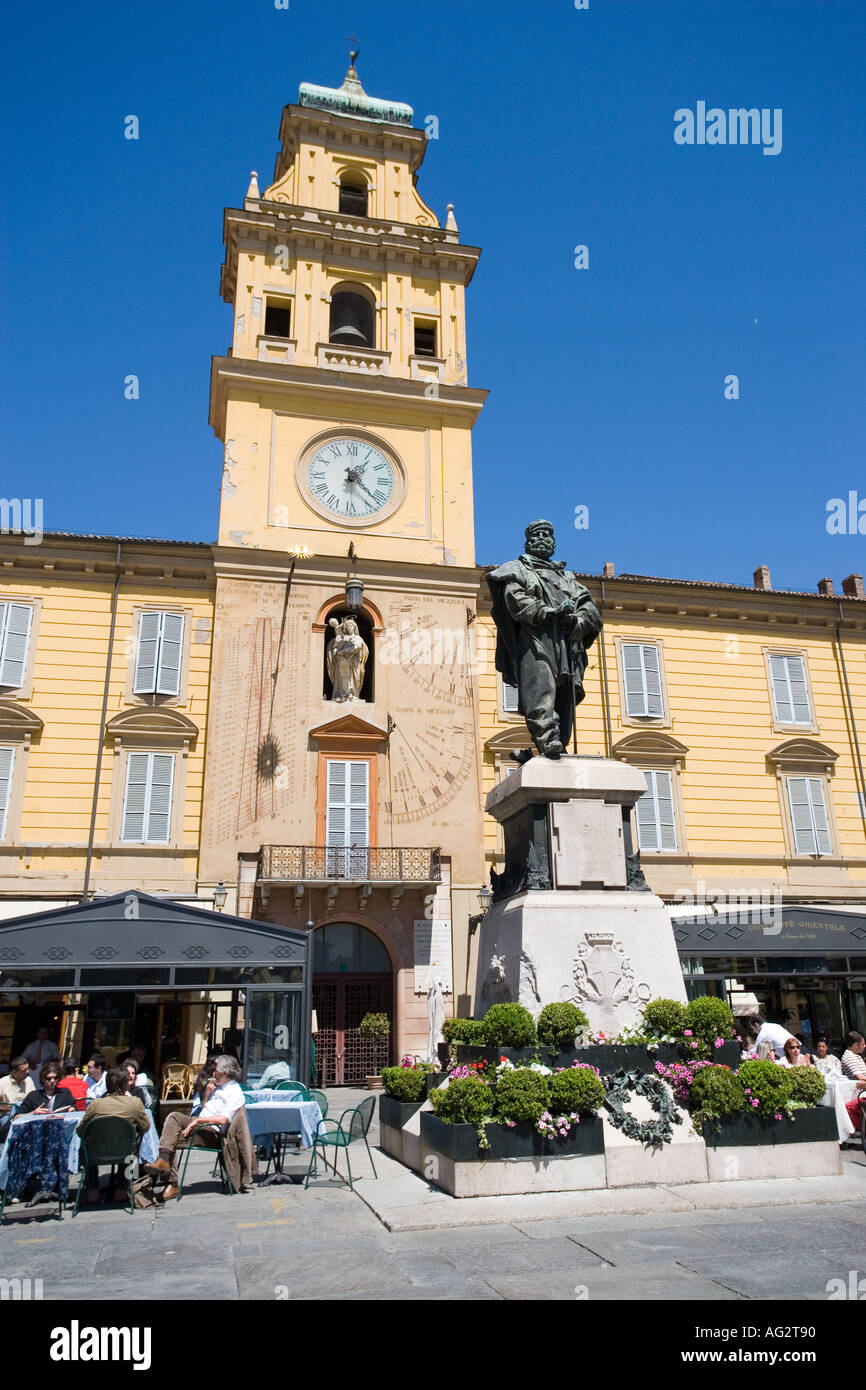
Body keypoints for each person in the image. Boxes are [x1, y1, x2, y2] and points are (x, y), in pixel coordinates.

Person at [487, 520, 603, 758]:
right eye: (537, 534)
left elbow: (589, 608)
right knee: (540, 688)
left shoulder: (568, 577)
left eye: (548, 535)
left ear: (554, 542)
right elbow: (516, 601)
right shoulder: (517, 569)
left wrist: (578, 621)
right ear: (527, 541)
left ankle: (560, 741)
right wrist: (551, 612)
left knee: (566, 697)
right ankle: (546, 737)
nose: (543, 538)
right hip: (536, 639)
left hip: (568, 643)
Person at [145, 1055, 245, 1202]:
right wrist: (207, 1096)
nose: (213, 1073)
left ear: (225, 1072)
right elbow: (206, 1109)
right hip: (201, 1125)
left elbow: (223, 1119)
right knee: (173, 1118)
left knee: (168, 1140)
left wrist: (199, 1120)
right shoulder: (218, 1088)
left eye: (216, 1070)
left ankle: (171, 1183)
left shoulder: (234, 1092)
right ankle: (164, 1161)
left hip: (211, 1133)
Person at [77, 1066, 150, 1203]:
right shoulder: (134, 1103)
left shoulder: (96, 1104)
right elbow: (146, 1127)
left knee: (86, 1146)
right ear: (125, 1084)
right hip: (125, 1152)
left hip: (96, 1153)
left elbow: (80, 1131)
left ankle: (92, 1190)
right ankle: (122, 1189)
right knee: (131, 1146)